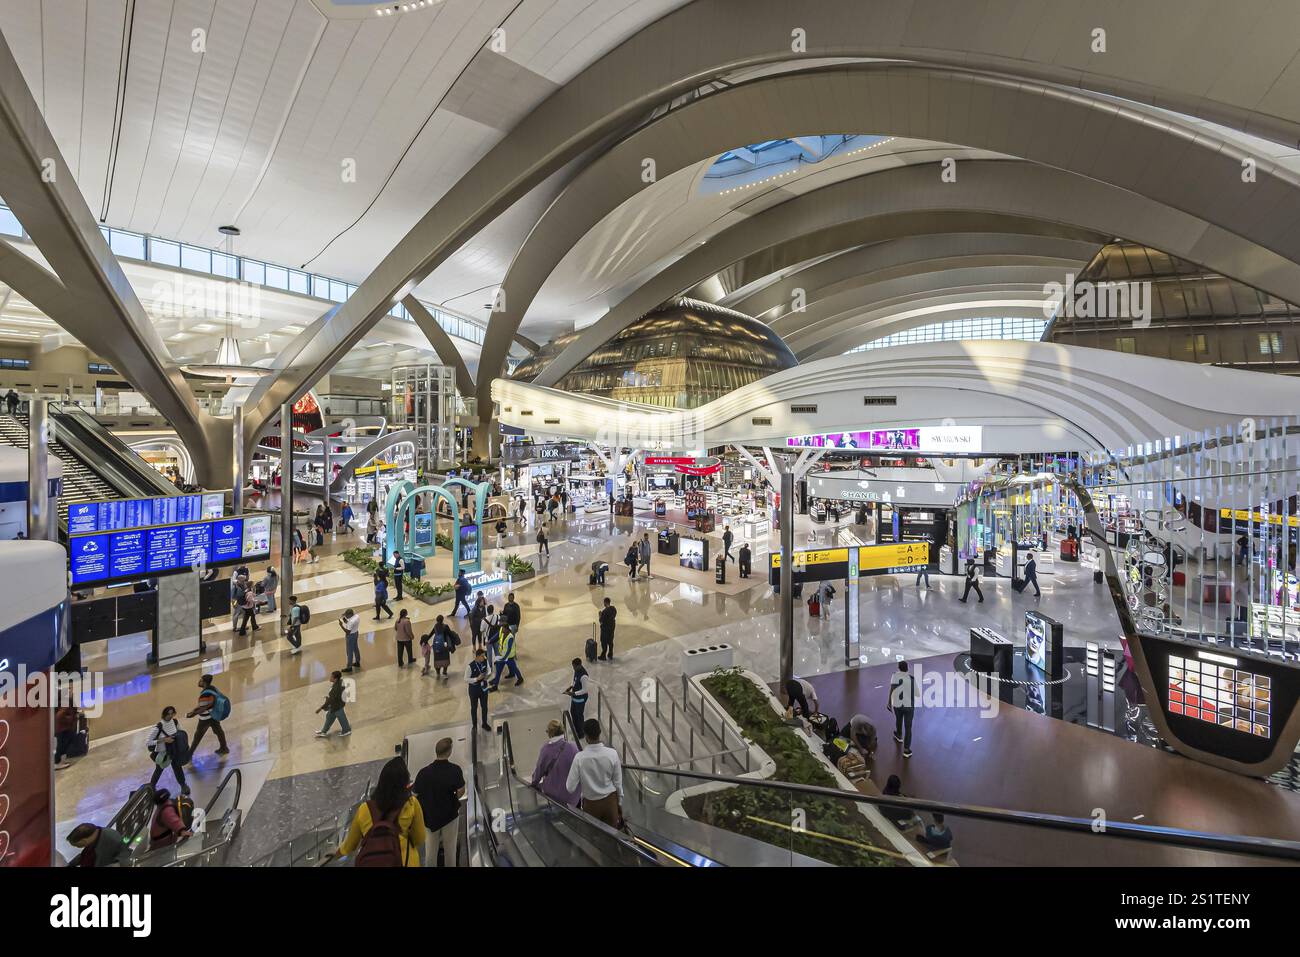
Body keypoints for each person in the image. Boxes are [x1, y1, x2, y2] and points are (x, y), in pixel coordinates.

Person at [336, 757, 424, 866]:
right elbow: (419, 838)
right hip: (406, 862)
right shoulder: (412, 804)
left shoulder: (365, 808)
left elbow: (351, 844)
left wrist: (338, 853)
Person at [412, 737, 465, 867]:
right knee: (450, 850)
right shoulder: (455, 770)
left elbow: (414, 794)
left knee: (430, 851)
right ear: (449, 752)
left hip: (429, 819)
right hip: (449, 816)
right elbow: (461, 791)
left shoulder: (423, 773)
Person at [565, 719, 624, 829]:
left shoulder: (579, 758)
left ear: (586, 736)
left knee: (594, 836)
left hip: (591, 805)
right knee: (612, 836)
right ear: (599, 732)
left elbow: (570, 788)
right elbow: (618, 782)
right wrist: (619, 803)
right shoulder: (612, 754)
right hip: (610, 803)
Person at [531, 719, 581, 808]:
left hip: (555, 797)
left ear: (549, 733)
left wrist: (534, 784)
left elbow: (539, 771)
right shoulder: (573, 747)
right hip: (574, 796)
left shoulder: (546, 750)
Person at [146, 706, 191, 795]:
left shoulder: (175, 722)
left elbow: (181, 733)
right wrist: (164, 740)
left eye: (172, 713)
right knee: (159, 770)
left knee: (177, 768)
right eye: (168, 714)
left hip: (174, 751)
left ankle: (183, 785)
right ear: (164, 714)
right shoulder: (158, 727)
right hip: (164, 753)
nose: (170, 716)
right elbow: (148, 742)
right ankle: (151, 787)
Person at [186, 674, 230, 757]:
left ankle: (189, 754)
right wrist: (194, 710)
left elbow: (203, 708)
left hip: (206, 718)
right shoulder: (212, 688)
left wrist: (192, 714)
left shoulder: (205, 694)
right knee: (219, 731)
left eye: (201, 680)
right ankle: (224, 748)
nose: (199, 682)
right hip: (214, 715)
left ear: (205, 683)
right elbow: (206, 704)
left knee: (198, 736)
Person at [887, 660, 917, 759]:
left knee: (898, 720)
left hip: (897, 705)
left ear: (899, 668)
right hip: (909, 706)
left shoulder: (895, 676)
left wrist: (889, 703)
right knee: (908, 728)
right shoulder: (912, 679)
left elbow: (892, 689)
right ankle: (906, 750)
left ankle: (899, 735)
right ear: (907, 668)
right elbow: (916, 693)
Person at [66, 822, 131, 867]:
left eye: (77, 845)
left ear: (84, 841)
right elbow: (83, 855)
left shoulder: (110, 840)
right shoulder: (95, 835)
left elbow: (123, 856)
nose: (77, 847)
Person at [316, 670, 352, 737]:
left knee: (341, 718)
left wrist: (320, 708)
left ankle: (347, 730)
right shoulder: (340, 682)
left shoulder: (336, 688)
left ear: (335, 679)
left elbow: (331, 700)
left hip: (337, 706)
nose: (330, 678)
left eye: (331, 677)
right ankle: (323, 731)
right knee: (329, 717)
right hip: (337, 705)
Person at [489, 625, 524, 689]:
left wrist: (505, 657)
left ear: (507, 629)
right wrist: (490, 640)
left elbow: (509, 649)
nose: (502, 630)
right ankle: (495, 684)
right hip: (502, 656)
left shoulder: (510, 637)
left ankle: (520, 678)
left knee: (514, 668)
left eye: (503, 629)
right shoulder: (502, 632)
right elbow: (497, 636)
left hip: (509, 657)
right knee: (498, 670)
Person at [466, 646, 491, 731]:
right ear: (477, 656)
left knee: (485, 706)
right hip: (474, 689)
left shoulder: (485, 662)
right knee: (474, 707)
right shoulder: (470, 666)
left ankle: (484, 723)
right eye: (482, 656)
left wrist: (487, 676)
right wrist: (476, 679)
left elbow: (489, 670)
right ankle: (474, 725)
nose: (484, 657)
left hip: (483, 687)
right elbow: (466, 679)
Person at [564, 657, 590, 733]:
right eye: (573, 666)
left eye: (574, 666)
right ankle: (575, 729)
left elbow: (585, 690)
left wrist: (574, 693)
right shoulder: (577, 671)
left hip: (580, 699)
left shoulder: (584, 676)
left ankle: (581, 732)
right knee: (573, 713)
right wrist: (571, 686)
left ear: (579, 665)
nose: (573, 668)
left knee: (579, 716)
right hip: (575, 698)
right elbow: (575, 680)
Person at [54, 704, 81, 770]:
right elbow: (60, 715)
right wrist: (70, 718)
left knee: (64, 743)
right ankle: (56, 762)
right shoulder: (65, 704)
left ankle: (58, 761)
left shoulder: (67, 703)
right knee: (61, 745)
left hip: (65, 728)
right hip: (63, 728)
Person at [340, 608, 362, 672]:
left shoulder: (351, 622)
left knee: (349, 652)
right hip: (356, 633)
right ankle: (357, 662)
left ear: (350, 615)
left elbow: (347, 632)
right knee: (355, 648)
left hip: (350, 636)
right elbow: (349, 623)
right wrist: (345, 620)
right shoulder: (357, 616)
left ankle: (349, 667)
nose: (346, 616)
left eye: (347, 615)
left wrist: (341, 625)